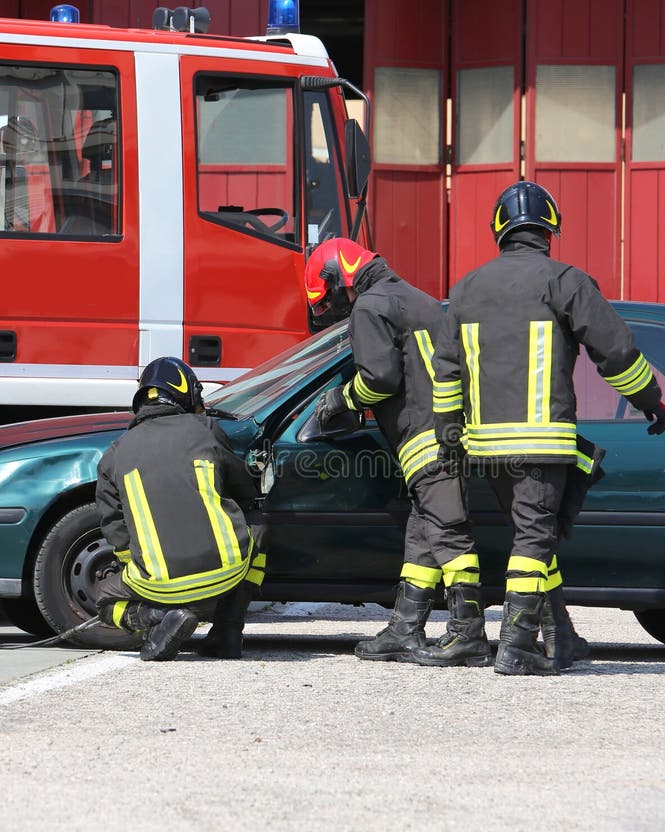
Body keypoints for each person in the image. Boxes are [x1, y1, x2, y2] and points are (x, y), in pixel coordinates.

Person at [417, 181, 665, 676]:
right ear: (549, 228)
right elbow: (614, 351)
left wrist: (450, 434)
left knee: (534, 538)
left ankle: (563, 638)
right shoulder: (566, 281)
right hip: (542, 443)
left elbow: (445, 372)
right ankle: (517, 647)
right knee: (533, 541)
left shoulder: (465, 288)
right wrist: (649, 399)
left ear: (499, 230)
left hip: (486, 448)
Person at [304, 238, 493, 667]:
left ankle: (469, 634)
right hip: (446, 433)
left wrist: (341, 400)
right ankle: (404, 627)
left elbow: (379, 380)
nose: (334, 305)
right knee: (423, 532)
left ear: (340, 278)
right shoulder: (419, 298)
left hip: (427, 440)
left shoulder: (370, 307)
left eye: (330, 295)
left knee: (447, 532)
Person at [94, 356, 266, 661]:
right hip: (227, 575)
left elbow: (115, 530)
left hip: (158, 586)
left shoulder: (114, 454)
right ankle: (228, 631)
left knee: (103, 599)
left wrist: (131, 566)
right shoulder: (207, 430)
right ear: (187, 394)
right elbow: (245, 491)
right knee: (259, 525)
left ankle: (153, 619)